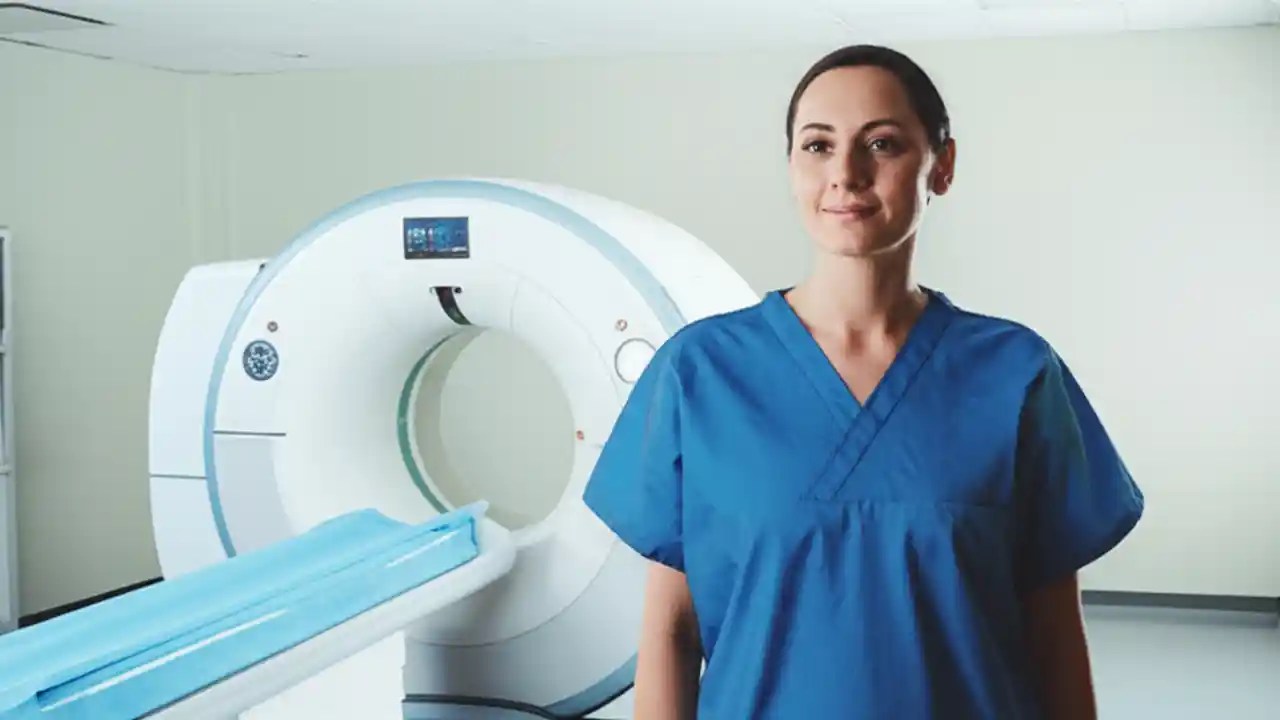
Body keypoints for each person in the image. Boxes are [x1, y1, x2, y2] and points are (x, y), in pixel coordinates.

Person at [583, 44, 1144, 719]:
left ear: (943, 165)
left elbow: (1054, 637)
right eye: (817, 146)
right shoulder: (700, 372)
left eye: (882, 143)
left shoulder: (1016, 373)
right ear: (791, 165)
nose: (844, 174)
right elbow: (672, 633)